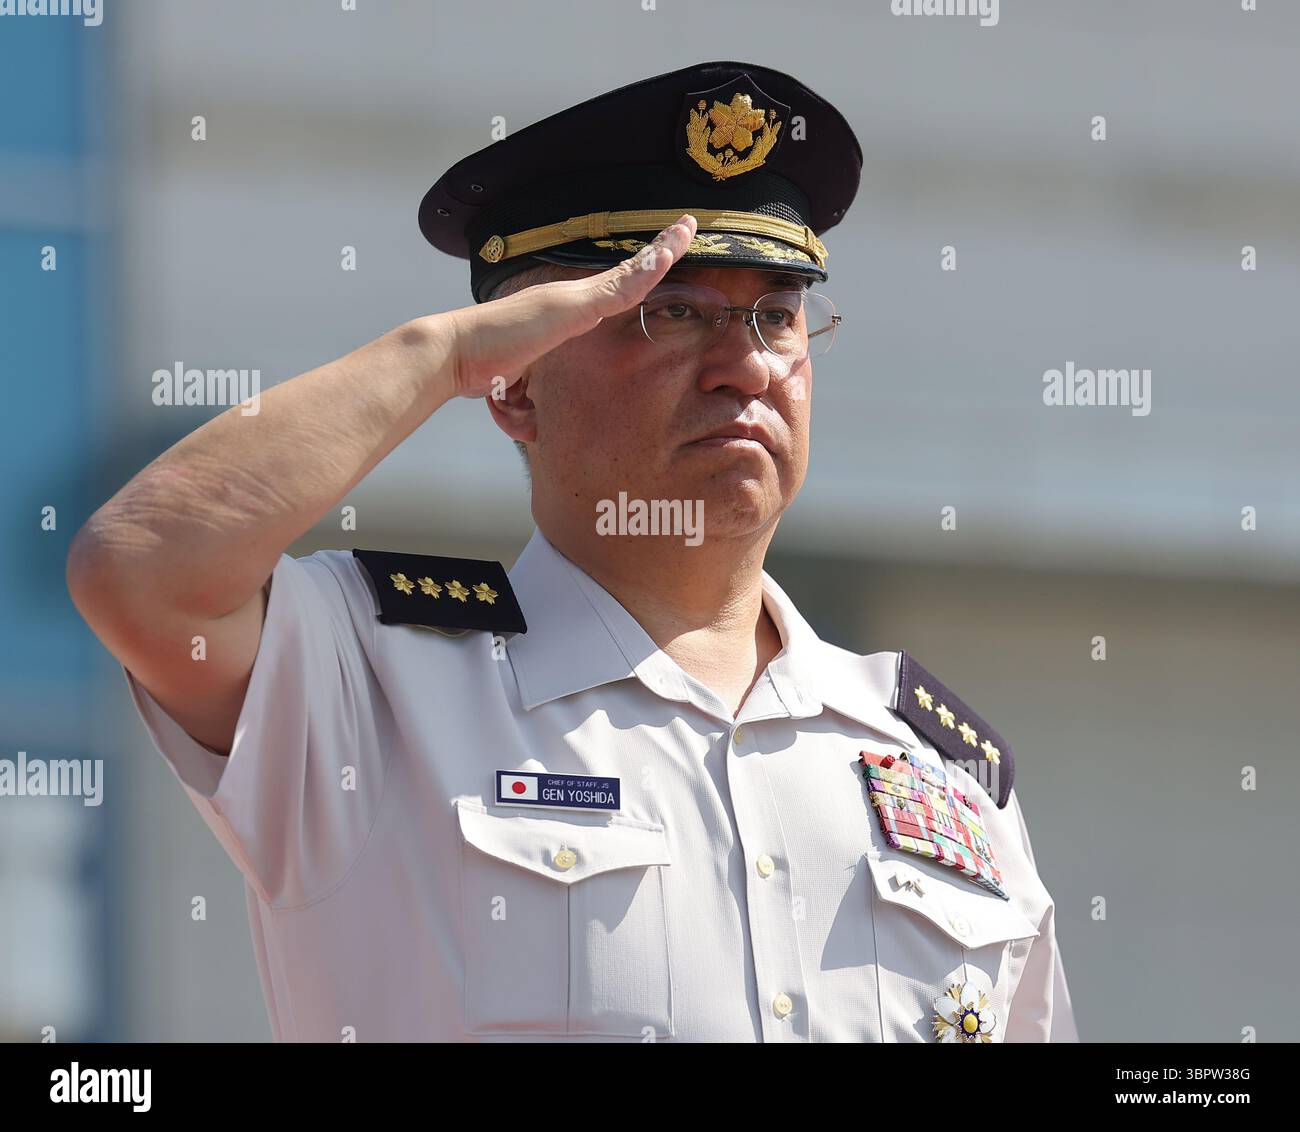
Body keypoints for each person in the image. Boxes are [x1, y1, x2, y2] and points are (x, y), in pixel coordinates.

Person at [67, 61, 1078, 1042]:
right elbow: (143, 568)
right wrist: (445, 354)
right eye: (672, 311)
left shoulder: (934, 766)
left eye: (777, 314)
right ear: (517, 384)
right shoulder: (376, 679)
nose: (744, 365)